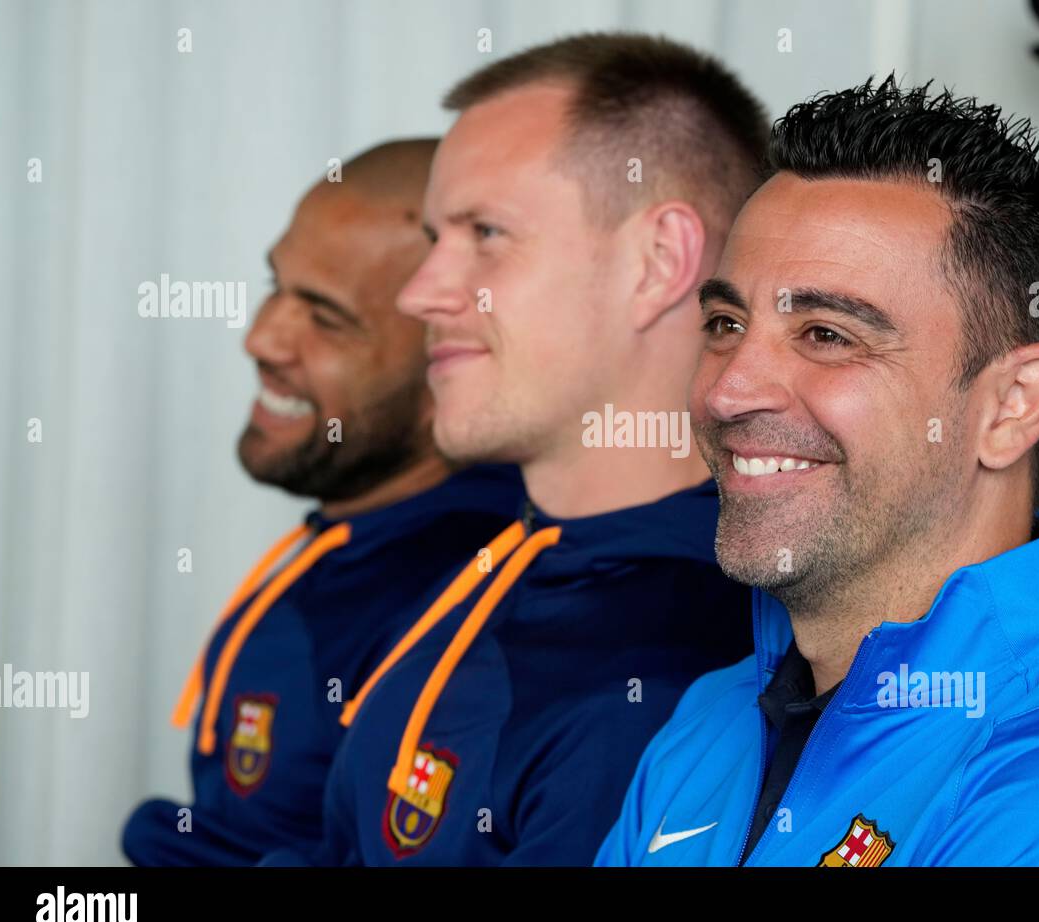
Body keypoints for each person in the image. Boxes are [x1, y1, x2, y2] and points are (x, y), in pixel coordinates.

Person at [596, 77, 1039, 866]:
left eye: (828, 335)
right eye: (725, 323)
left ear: (1013, 406)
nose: (729, 389)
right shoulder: (712, 720)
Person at [259, 33, 766, 866]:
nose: (420, 293)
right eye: (433, 239)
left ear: (658, 261)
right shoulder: (501, 563)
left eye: (486, 233)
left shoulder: (676, 671)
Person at [122, 140, 524, 865]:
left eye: (326, 318)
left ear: (454, 360)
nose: (261, 338)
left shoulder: (468, 600)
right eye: (275, 286)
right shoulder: (356, 544)